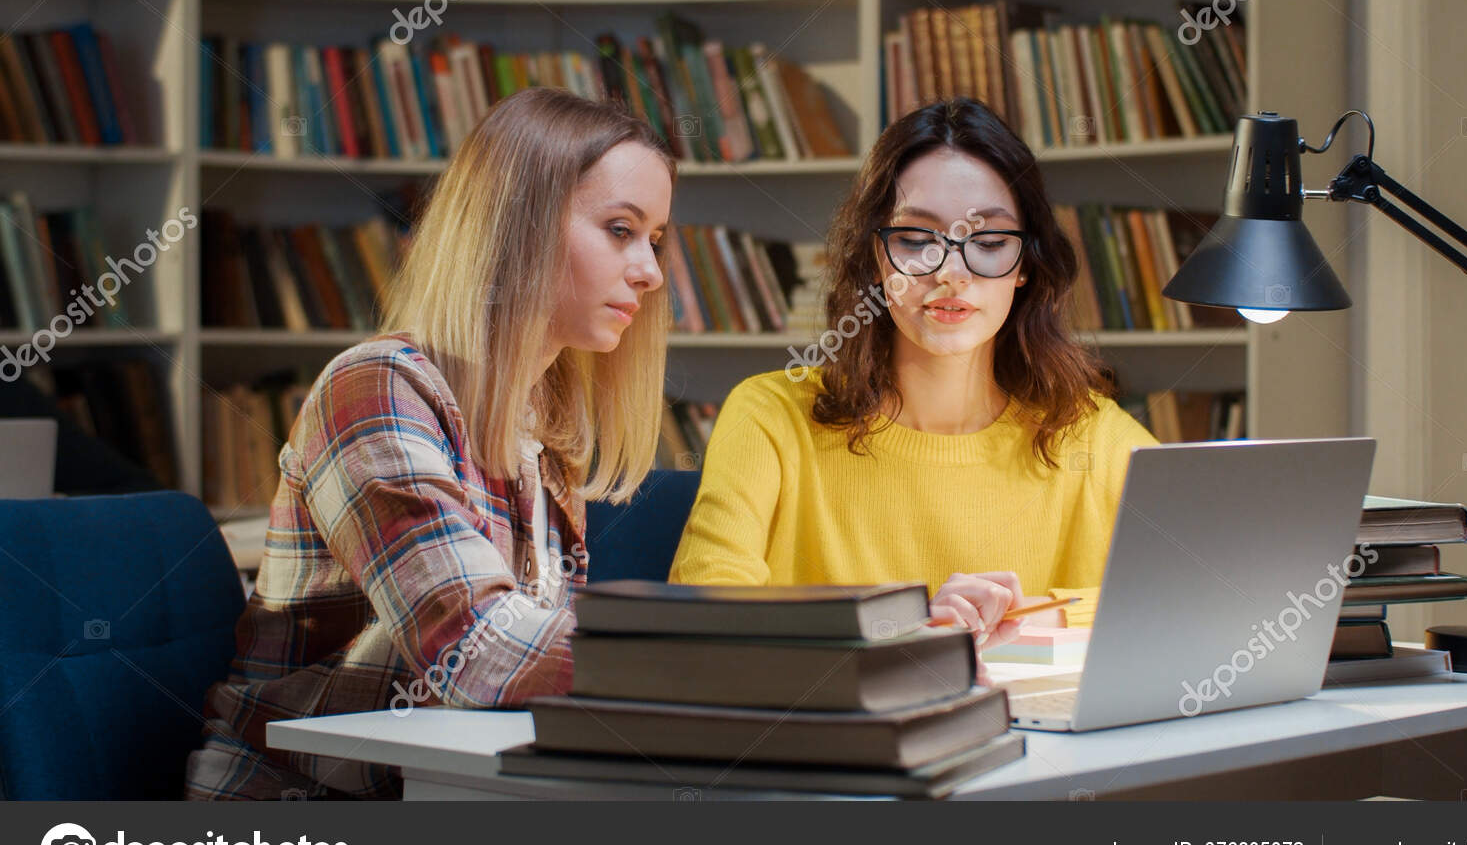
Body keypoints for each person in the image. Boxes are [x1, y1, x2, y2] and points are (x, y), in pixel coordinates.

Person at [186, 88, 673, 799]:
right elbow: (473, 648)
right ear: (517, 225)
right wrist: (700, 664)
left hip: (440, 790)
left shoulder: (546, 432)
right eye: (621, 229)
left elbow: (529, 672)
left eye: (654, 239)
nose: (650, 272)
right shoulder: (376, 386)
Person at [669, 97, 1159, 662]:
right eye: (915, 240)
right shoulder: (770, 415)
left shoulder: (1095, 435)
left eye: (990, 243)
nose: (951, 273)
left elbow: (1196, 593)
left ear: (1025, 265)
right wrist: (902, 625)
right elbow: (703, 613)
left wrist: (1031, 615)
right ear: (876, 257)